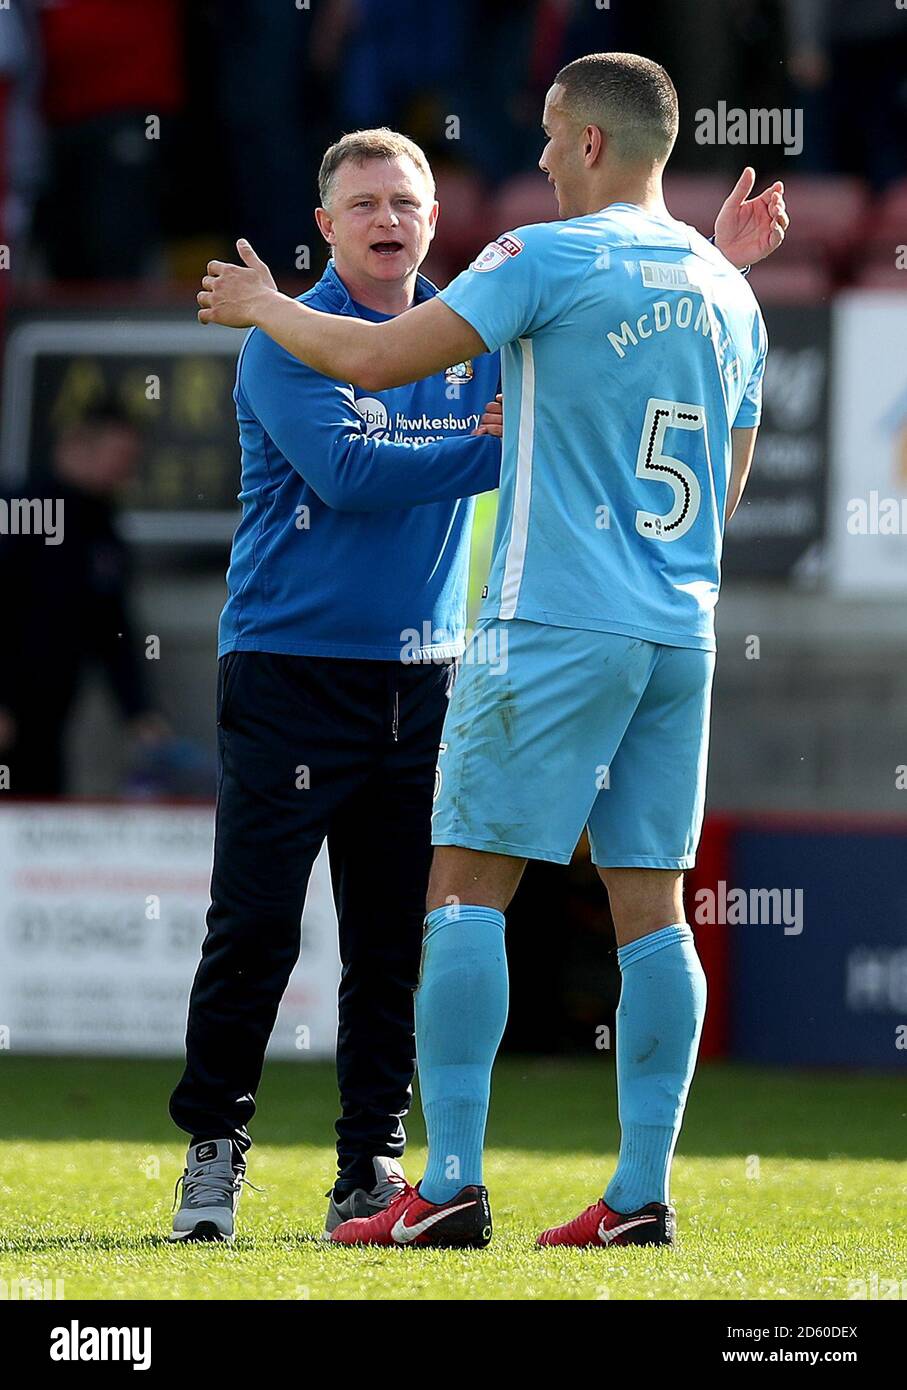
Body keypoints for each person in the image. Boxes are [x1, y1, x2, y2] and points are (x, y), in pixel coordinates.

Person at [195, 77, 788, 1247]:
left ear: (587, 139)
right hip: (679, 630)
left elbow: (370, 368)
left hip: (552, 624)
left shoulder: (542, 254)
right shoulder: (728, 289)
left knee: (463, 891)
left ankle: (448, 1181)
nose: (539, 156)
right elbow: (723, 489)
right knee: (652, 911)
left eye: (548, 135)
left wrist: (264, 307)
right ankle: (637, 1197)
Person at [169, 128, 504, 1244]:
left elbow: (600, 355)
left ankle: (370, 1165)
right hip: (288, 673)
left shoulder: (471, 332)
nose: (385, 218)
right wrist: (493, 447)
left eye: (404, 199)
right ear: (325, 225)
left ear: (432, 218)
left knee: (391, 943)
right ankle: (213, 1151)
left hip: (426, 679)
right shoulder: (284, 334)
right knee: (257, 929)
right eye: (361, 202)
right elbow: (352, 475)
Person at [0, 402, 163, 795]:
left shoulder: (102, 526)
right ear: (79, 447)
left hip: (52, 715)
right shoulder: (24, 510)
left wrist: (138, 711)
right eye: (119, 456)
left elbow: (113, 630)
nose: (126, 470)